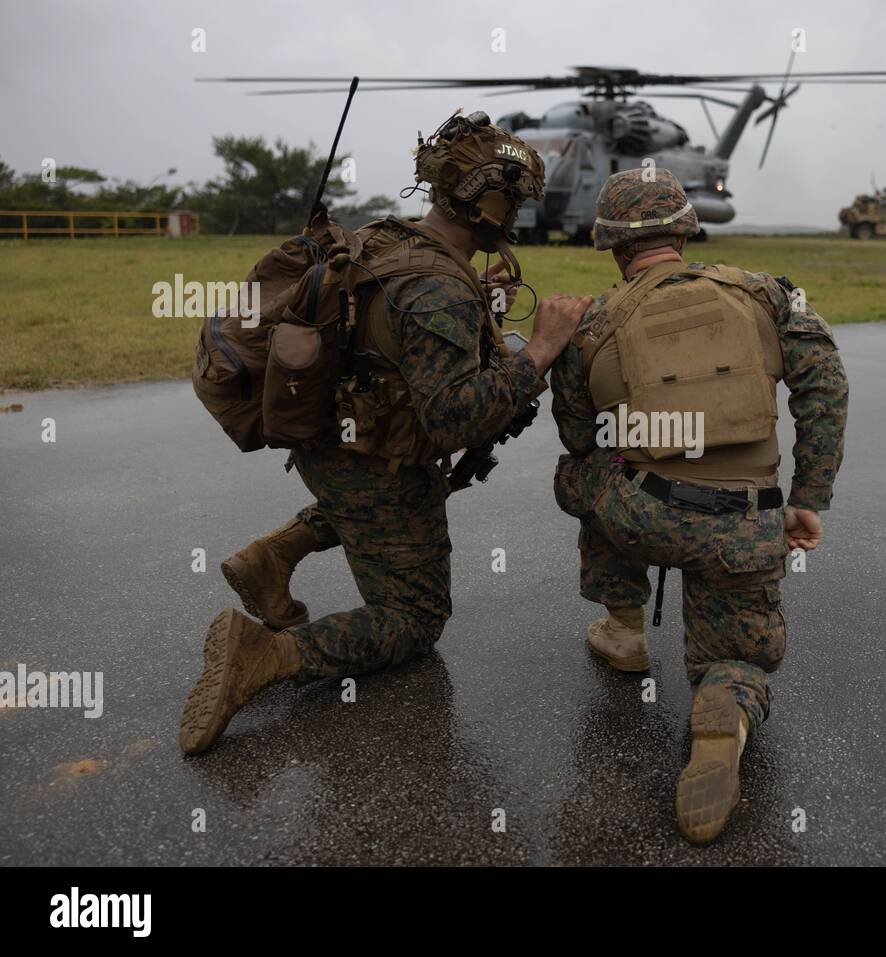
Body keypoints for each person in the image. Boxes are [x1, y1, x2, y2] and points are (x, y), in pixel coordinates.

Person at [180, 112, 591, 755]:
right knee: (414, 620)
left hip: (327, 443)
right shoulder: (436, 287)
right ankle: (265, 655)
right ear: (490, 202)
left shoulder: (385, 237)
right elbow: (455, 418)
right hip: (373, 462)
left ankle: (272, 556)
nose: (516, 215)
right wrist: (540, 349)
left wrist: (477, 300)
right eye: (513, 201)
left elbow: (386, 326)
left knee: (407, 494)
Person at [549, 168, 849, 843]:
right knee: (738, 656)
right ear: (685, 232)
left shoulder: (592, 322)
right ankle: (722, 716)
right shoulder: (767, 294)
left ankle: (624, 629)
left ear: (613, 246)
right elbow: (826, 385)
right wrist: (807, 498)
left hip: (641, 515)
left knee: (586, 472)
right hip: (745, 521)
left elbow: (578, 434)